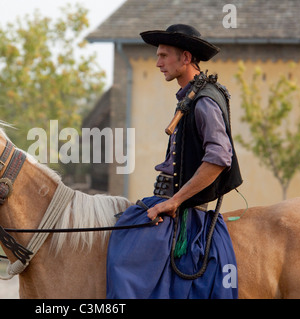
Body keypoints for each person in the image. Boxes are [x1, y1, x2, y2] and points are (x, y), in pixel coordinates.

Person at [106, 24, 243, 299]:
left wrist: (174, 201)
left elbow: (218, 158)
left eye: (164, 55)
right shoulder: (191, 96)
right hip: (170, 201)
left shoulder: (203, 101)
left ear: (186, 58)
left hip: (186, 210)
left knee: (126, 253)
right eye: (158, 56)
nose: (157, 63)